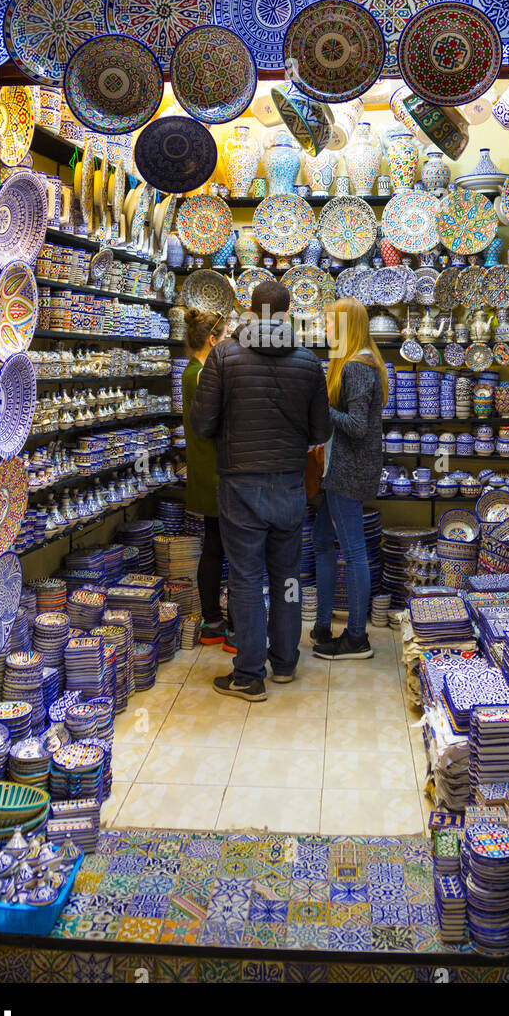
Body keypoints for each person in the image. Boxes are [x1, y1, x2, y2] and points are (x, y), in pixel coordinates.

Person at [189, 279, 331, 701]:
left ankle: (249, 674)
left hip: (240, 484)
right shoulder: (307, 362)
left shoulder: (224, 356)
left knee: (247, 579)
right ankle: (285, 661)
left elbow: (202, 424)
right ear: (287, 314)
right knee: (287, 576)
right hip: (288, 485)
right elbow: (321, 431)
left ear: (250, 311)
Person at [311, 296, 387, 661]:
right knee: (323, 541)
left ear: (345, 327)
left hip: (348, 471)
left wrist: (320, 409)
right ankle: (322, 623)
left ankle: (357, 636)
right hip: (343, 470)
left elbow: (356, 427)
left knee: (354, 553)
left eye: (329, 322)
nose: (325, 328)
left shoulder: (356, 367)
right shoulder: (363, 362)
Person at [181, 309, 234, 652]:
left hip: (205, 466)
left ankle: (213, 620)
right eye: (225, 335)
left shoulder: (193, 372)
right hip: (214, 468)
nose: (228, 340)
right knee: (220, 546)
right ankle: (214, 620)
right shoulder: (201, 374)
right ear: (212, 340)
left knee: (214, 544)